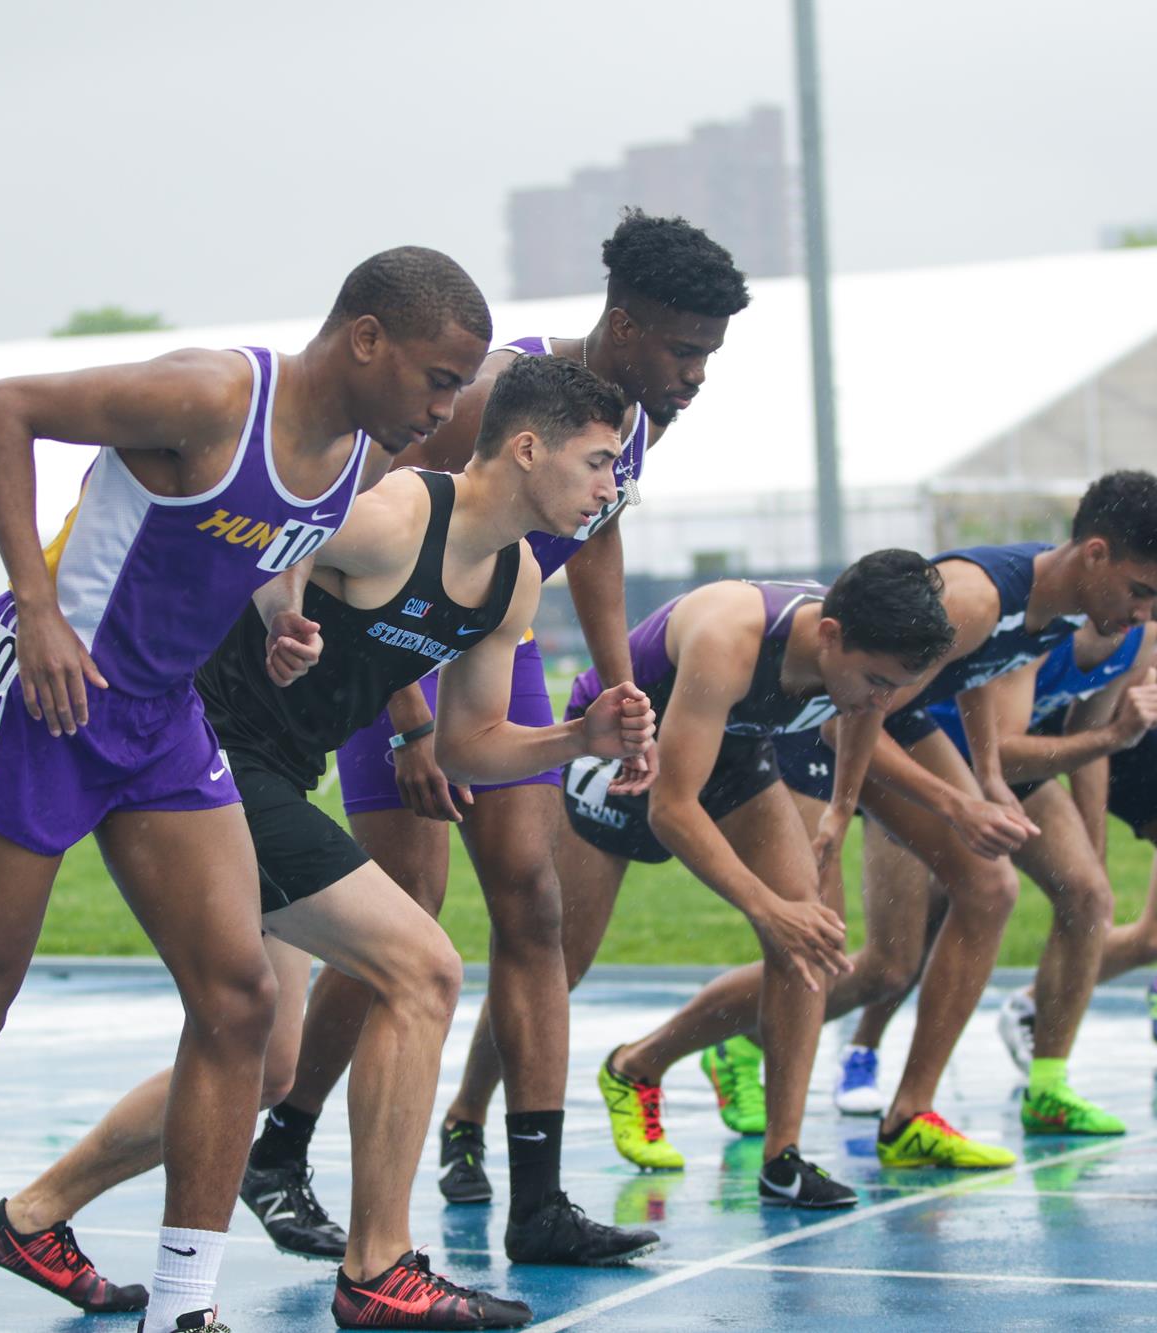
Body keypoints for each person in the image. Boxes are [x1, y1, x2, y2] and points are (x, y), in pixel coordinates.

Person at [0, 247, 494, 1333]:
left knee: (241, 1000)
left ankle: (183, 1309)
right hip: (41, 703)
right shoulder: (211, 394)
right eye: (439, 378)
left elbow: (243, 543)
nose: (445, 407)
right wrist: (37, 605)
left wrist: (273, 617)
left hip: (160, 722)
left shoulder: (354, 457)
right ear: (366, 339)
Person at [0, 354, 659, 1331]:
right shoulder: (394, 515)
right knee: (421, 968)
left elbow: (469, 744)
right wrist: (283, 605)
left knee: (264, 1068)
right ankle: (378, 1265)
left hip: (267, 778)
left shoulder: (509, 579)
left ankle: (32, 1216)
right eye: (599, 464)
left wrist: (573, 739)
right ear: (525, 447)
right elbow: (274, 533)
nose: (610, 490)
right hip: (198, 762)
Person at [244, 210, 750, 1246]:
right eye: (684, 349)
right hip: (385, 646)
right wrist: (409, 719)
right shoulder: (488, 392)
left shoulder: (637, 415)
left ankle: (539, 1199)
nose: (697, 374)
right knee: (406, 907)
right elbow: (377, 524)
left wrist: (621, 700)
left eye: (710, 354)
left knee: (532, 903)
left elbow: (597, 542)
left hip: (494, 634)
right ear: (621, 323)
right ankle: (280, 1148)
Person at [626, 473, 1157, 1169]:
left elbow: (977, 669)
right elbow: (860, 713)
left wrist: (987, 774)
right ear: (1097, 555)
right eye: (1140, 591)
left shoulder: (1063, 608)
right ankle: (662, 1060)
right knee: (817, 945)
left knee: (918, 941)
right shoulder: (976, 596)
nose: (1144, 612)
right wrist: (934, 802)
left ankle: (908, 1114)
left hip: (888, 725)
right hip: (832, 729)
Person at [843, 487, 1157, 1112]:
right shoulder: (1033, 603)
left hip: (991, 757)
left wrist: (1086, 841)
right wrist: (965, 793)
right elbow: (899, 713)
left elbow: (1087, 742)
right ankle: (820, 1042)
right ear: (1115, 560)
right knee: (894, 958)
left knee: (1086, 896)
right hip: (911, 743)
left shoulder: (1125, 626)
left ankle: (1045, 1087)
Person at [527, 552, 955, 1206]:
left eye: (895, 685)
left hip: (728, 745)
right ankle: (466, 1118)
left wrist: (841, 808)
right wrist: (764, 908)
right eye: (876, 678)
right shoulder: (731, 636)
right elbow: (673, 808)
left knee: (808, 938)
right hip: (619, 747)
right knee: (554, 962)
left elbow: (864, 714)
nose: (882, 698)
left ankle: (782, 1158)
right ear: (831, 635)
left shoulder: (860, 664)